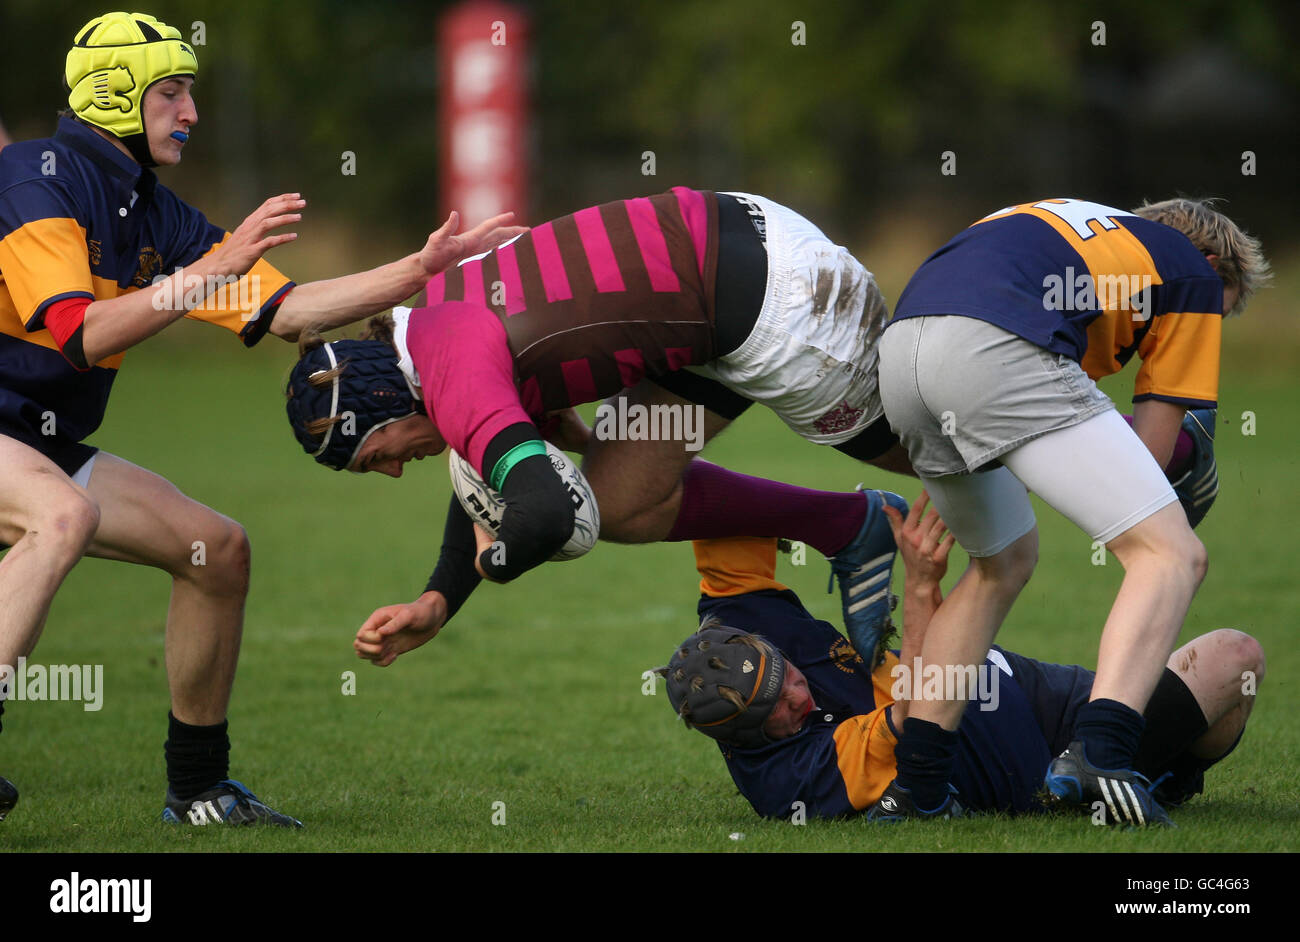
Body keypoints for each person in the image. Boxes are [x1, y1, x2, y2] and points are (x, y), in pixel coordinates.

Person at [0, 11, 520, 827]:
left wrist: (414, 271)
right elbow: (82, 333)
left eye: (192, 93)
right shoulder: (37, 176)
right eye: (170, 93)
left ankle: (200, 791)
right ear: (114, 97)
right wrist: (212, 267)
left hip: (38, 442)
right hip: (15, 440)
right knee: (62, 518)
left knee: (219, 553)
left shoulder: (149, 209)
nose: (191, 112)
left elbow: (285, 310)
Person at [286, 188, 915, 669]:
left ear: (382, 403)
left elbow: (549, 513)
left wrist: (495, 564)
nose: (395, 470)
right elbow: (488, 473)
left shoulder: (448, 371)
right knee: (621, 499)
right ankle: (855, 528)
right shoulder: (429, 330)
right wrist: (436, 602)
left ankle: (1003, 485)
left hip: (779, 302)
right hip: (722, 276)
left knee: (934, 451)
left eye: (376, 457)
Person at [872, 197, 1269, 823]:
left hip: (901, 356)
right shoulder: (1189, 272)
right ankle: (1101, 753)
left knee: (999, 563)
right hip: (996, 350)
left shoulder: (1065, 228)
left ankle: (918, 788)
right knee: (1170, 554)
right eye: (1216, 316)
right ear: (1212, 262)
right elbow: (1152, 458)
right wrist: (1191, 454)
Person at [660, 494, 1262, 823]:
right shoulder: (789, 778)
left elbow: (714, 499)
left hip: (1036, 689)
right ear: (743, 739)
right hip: (1036, 758)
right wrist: (921, 586)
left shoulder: (742, 625)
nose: (799, 695)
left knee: (1237, 672)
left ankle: (1161, 777)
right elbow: (922, 708)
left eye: (786, 674)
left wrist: (842, 519)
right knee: (1234, 657)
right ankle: (1119, 778)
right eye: (779, 709)